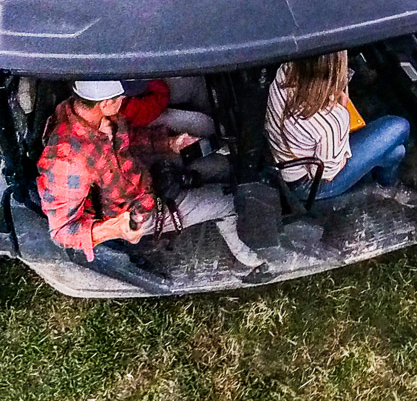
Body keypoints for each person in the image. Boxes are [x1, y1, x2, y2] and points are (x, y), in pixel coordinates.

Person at [37, 80, 260, 267]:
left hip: (144, 176)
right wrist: (112, 230)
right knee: (230, 204)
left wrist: (168, 143)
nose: (124, 101)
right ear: (106, 103)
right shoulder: (67, 160)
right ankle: (253, 260)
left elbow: (129, 140)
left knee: (223, 166)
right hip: (137, 212)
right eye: (121, 98)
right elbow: (62, 231)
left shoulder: (101, 117)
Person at [265, 52, 410, 202]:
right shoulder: (331, 121)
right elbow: (327, 175)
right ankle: (388, 184)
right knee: (399, 126)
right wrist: (341, 119)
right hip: (307, 186)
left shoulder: (284, 71)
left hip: (283, 156)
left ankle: (386, 184)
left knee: (396, 152)